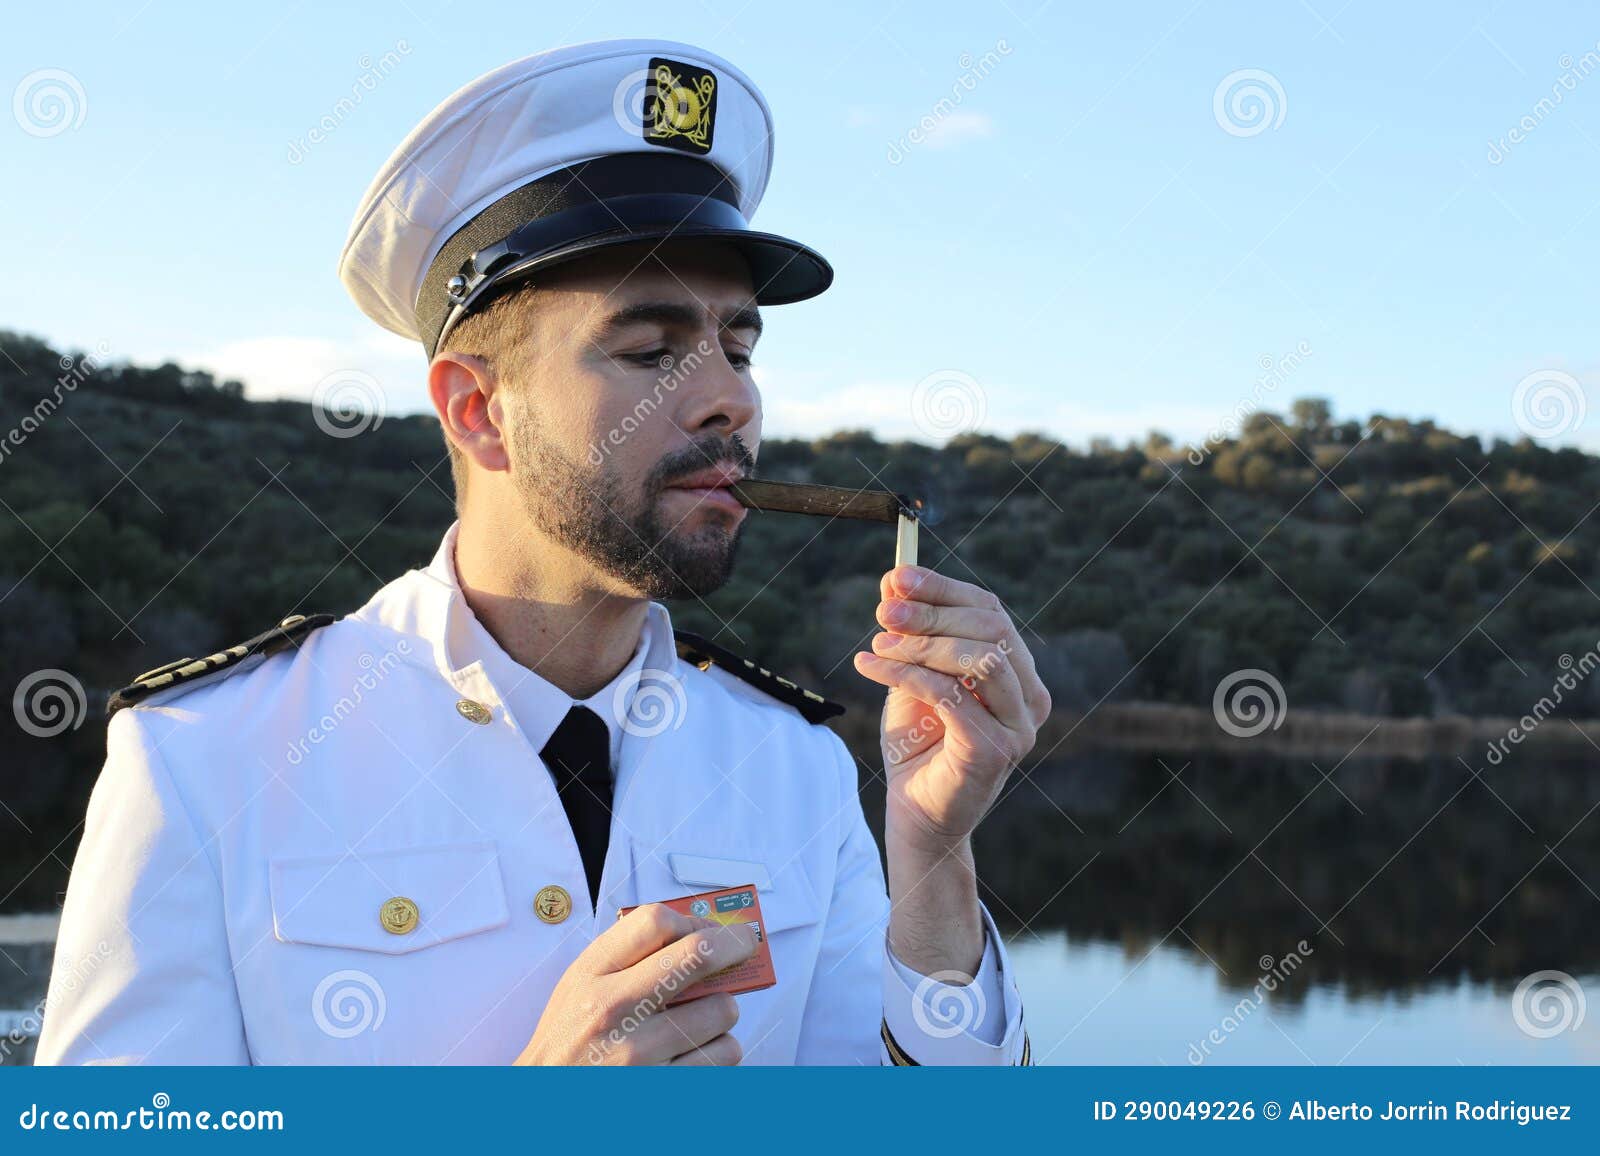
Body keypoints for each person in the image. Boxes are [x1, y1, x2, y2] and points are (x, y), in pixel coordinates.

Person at [36, 38, 1048, 1066]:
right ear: (478, 410)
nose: (730, 399)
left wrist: (935, 859)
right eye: (650, 351)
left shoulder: (797, 767)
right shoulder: (203, 759)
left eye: (738, 349)